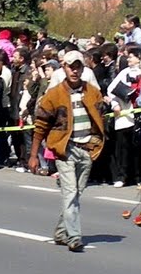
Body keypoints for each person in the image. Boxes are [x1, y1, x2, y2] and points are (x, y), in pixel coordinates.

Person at [27, 49, 107, 252]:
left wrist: (97, 142)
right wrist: (33, 155)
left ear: (82, 68)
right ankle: (74, 237)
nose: (74, 70)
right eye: (71, 66)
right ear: (64, 68)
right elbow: (40, 126)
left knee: (76, 193)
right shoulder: (54, 95)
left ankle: (62, 232)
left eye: (78, 66)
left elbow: (100, 117)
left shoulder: (92, 92)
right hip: (65, 149)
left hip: (86, 148)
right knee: (70, 192)